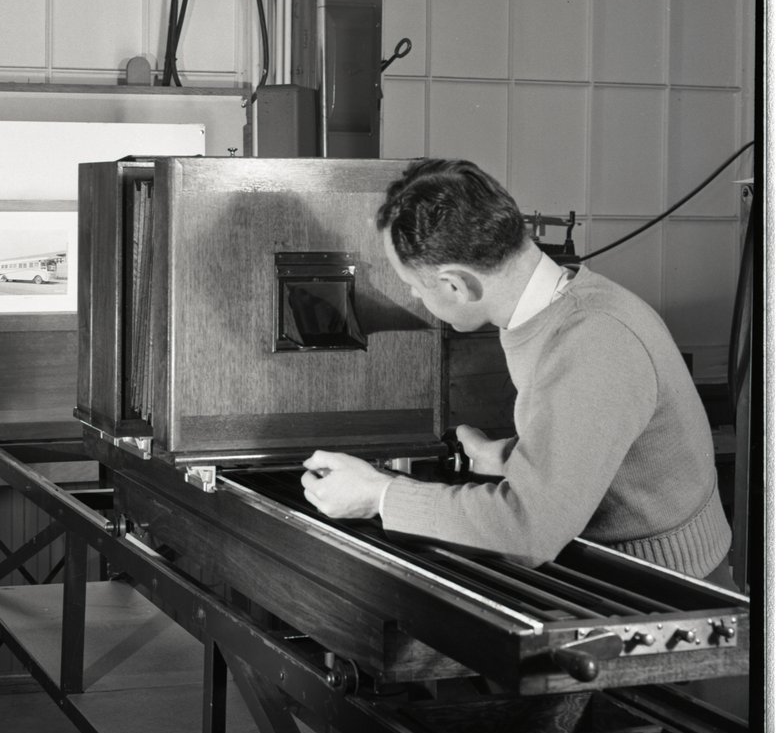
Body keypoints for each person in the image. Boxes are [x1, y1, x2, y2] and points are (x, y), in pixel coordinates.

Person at [300, 158, 732, 578]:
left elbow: (530, 530)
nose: (414, 299)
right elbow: (593, 441)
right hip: (614, 563)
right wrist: (511, 458)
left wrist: (380, 496)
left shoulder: (593, 339)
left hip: (662, 585)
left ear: (457, 284)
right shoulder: (553, 305)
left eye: (415, 287)